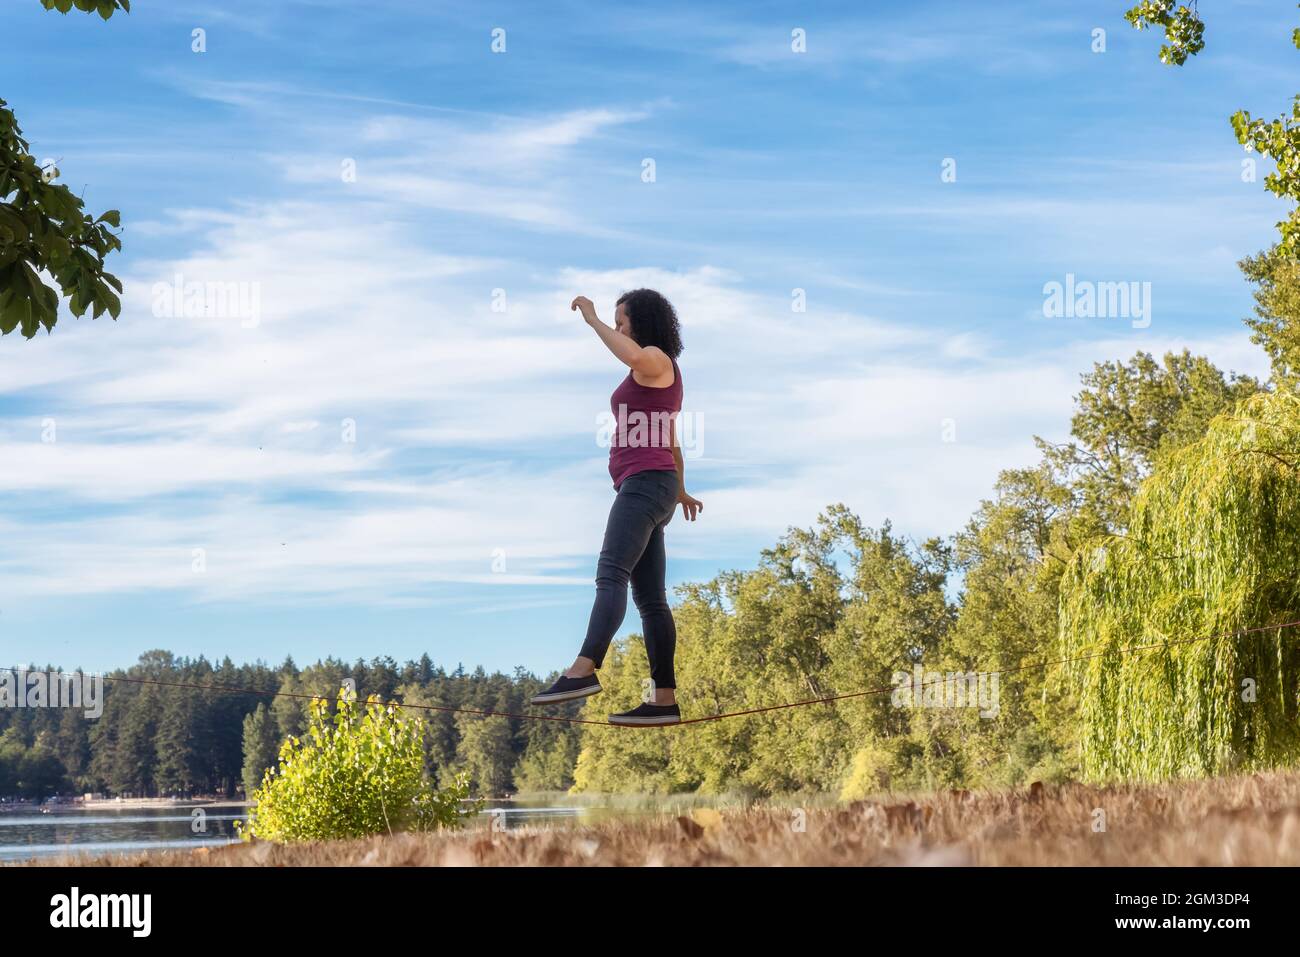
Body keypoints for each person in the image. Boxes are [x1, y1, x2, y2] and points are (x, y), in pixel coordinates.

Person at [530, 289, 703, 725]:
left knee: (611, 573)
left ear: (639, 323)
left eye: (620, 320)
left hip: (645, 486)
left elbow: (633, 355)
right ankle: (663, 699)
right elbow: (670, 439)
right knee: (651, 600)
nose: (617, 327)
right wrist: (680, 489)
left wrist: (592, 319)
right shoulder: (656, 372)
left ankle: (583, 669)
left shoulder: (655, 359)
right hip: (656, 485)